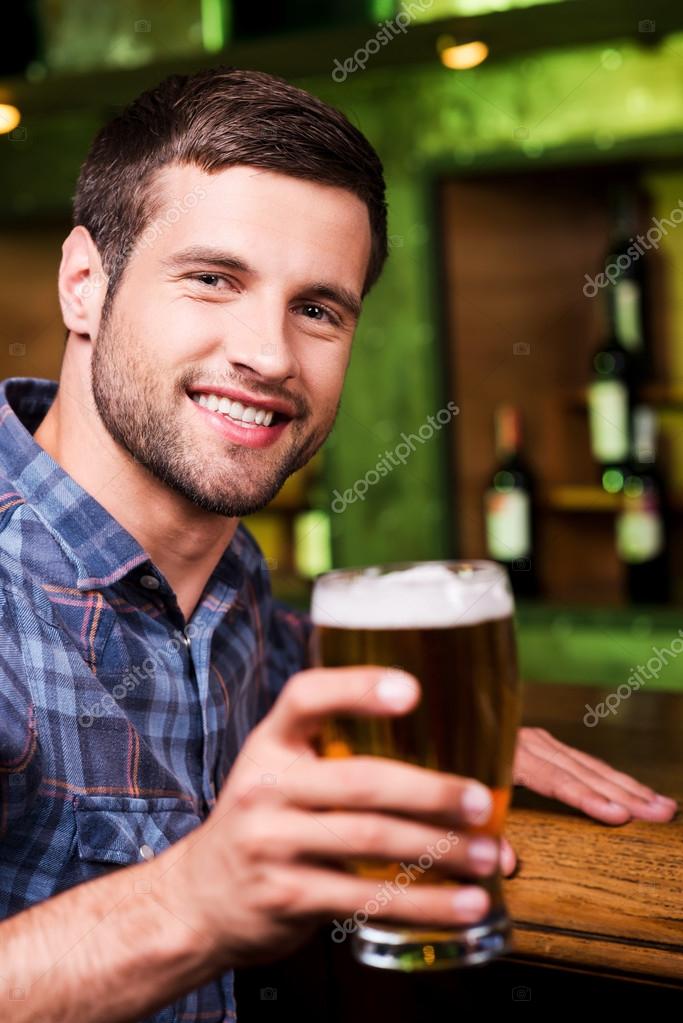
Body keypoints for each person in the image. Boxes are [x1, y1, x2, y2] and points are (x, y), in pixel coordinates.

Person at [0, 66, 675, 1023]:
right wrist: (194, 900)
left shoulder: (229, 591)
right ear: (83, 283)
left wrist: (437, 731)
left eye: (318, 307)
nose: (270, 355)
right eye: (212, 279)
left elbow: (272, 650)